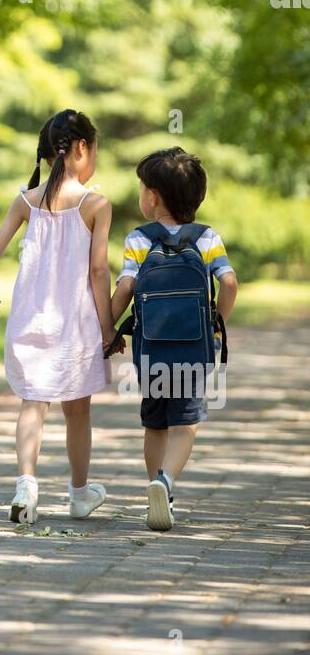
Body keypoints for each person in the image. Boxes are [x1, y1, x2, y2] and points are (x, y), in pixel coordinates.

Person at [0, 109, 115, 525]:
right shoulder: (95, 204)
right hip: (76, 325)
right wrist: (107, 326)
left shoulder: (25, 201)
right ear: (82, 148)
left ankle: (26, 486)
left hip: (31, 321)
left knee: (33, 404)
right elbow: (99, 271)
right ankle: (79, 493)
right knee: (78, 411)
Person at [111, 147, 238, 530]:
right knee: (185, 426)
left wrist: (107, 330)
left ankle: (156, 487)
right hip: (192, 349)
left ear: (151, 197)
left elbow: (126, 289)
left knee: (155, 424)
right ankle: (165, 482)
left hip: (151, 348)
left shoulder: (138, 238)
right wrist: (215, 324)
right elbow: (229, 283)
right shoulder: (207, 237)